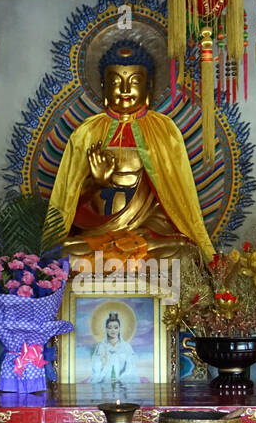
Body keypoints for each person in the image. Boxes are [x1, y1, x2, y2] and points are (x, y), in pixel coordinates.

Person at [49, 39, 214, 263]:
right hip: (100, 235)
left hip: (146, 234)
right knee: (63, 252)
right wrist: (96, 183)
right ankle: (119, 259)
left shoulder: (164, 130)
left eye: (134, 81)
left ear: (149, 87)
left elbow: (175, 199)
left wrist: (146, 230)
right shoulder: (87, 132)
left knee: (185, 254)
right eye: (116, 81)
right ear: (104, 88)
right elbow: (67, 206)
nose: (125, 90)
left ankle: (121, 259)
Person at [86, 313, 138, 384]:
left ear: (119, 329)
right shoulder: (100, 346)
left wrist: (121, 379)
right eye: (110, 328)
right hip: (103, 385)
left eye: (116, 327)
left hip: (122, 386)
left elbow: (131, 368)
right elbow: (95, 370)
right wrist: (103, 364)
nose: (113, 330)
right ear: (106, 329)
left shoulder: (126, 347)